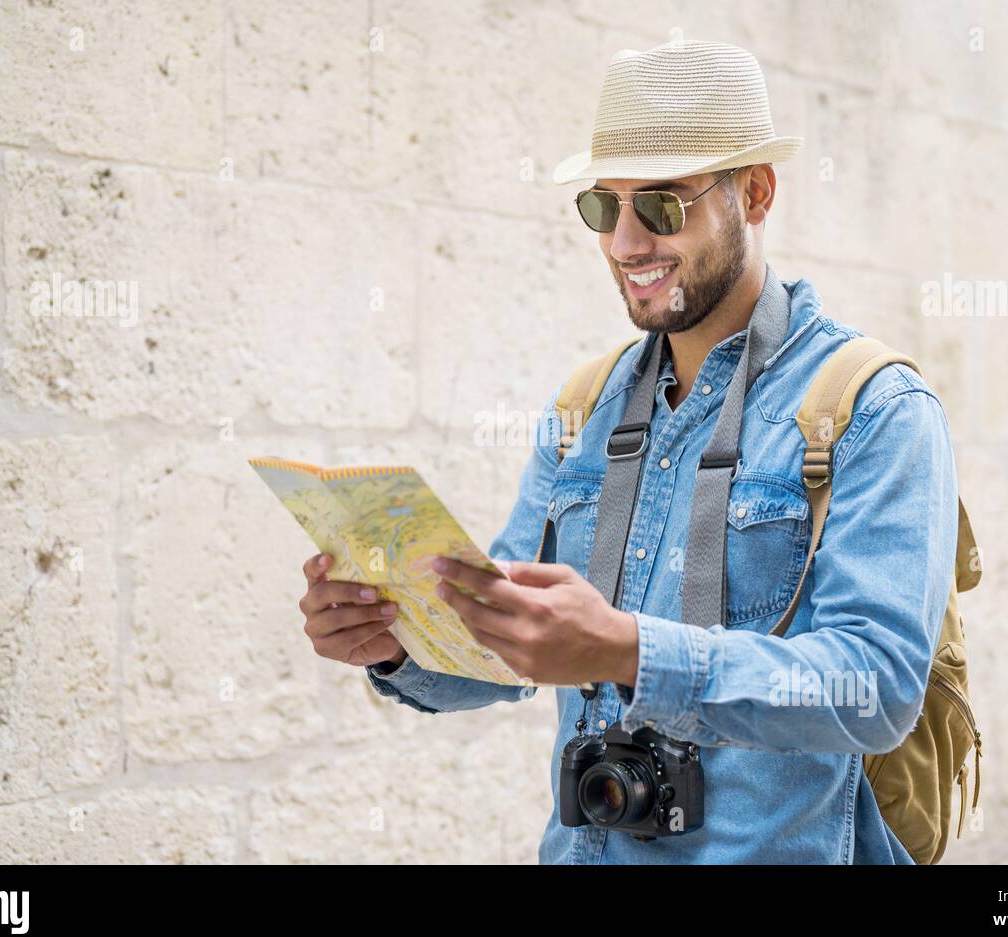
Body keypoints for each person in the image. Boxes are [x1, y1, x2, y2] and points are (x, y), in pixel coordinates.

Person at [297, 40, 958, 864]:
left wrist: (629, 651)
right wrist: (397, 642)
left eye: (665, 205)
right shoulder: (581, 409)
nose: (625, 244)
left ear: (756, 193)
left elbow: (877, 685)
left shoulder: (877, 411)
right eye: (606, 208)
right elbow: (508, 643)